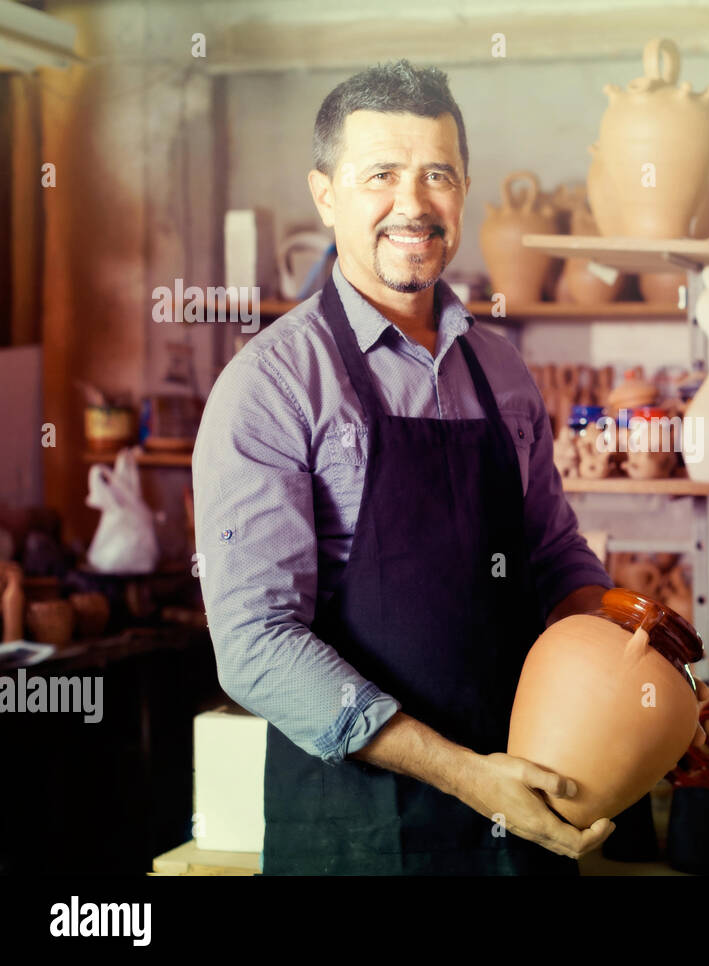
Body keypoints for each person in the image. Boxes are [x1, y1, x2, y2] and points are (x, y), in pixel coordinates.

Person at [192, 60, 615, 875]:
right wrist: (464, 775)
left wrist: (630, 656)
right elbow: (253, 644)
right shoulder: (272, 385)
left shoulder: (503, 371)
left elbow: (553, 556)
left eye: (438, 176)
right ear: (326, 195)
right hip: (360, 835)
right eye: (380, 175)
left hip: (524, 816)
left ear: (463, 193)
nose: (413, 205)